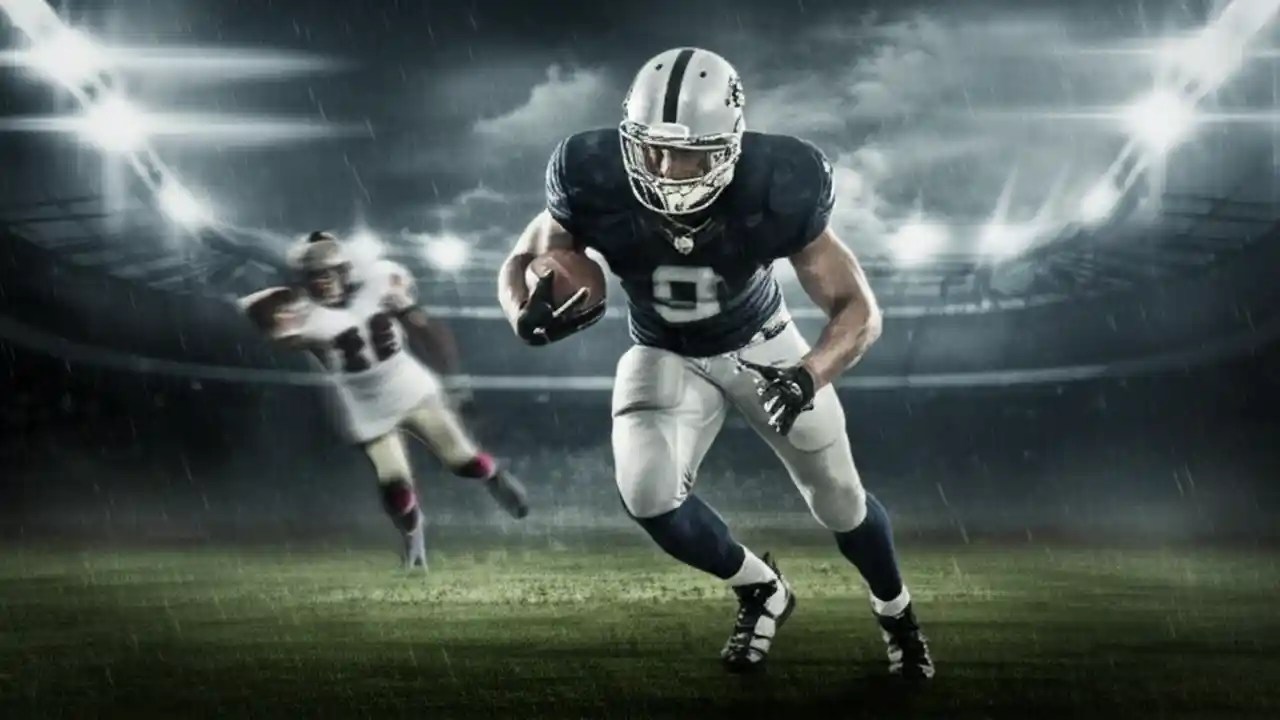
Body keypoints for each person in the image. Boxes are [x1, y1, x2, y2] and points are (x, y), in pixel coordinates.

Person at [497, 48, 933, 677]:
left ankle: (898, 614)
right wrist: (521, 309)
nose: (670, 169)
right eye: (653, 150)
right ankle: (762, 590)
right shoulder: (589, 173)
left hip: (764, 345)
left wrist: (809, 371)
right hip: (663, 348)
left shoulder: (782, 180)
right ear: (628, 138)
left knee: (839, 499)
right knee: (647, 496)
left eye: (692, 154)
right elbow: (526, 259)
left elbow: (857, 309)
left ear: (730, 143)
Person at [241, 231, 529, 571]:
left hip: (411, 389)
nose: (322, 283)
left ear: (344, 271)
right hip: (366, 407)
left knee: (462, 461)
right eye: (313, 277)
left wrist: (454, 381)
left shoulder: (380, 283)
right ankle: (414, 538)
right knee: (393, 482)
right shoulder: (305, 315)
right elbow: (267, 319)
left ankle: (492, 474)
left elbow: (427, 330)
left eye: (327, 273)